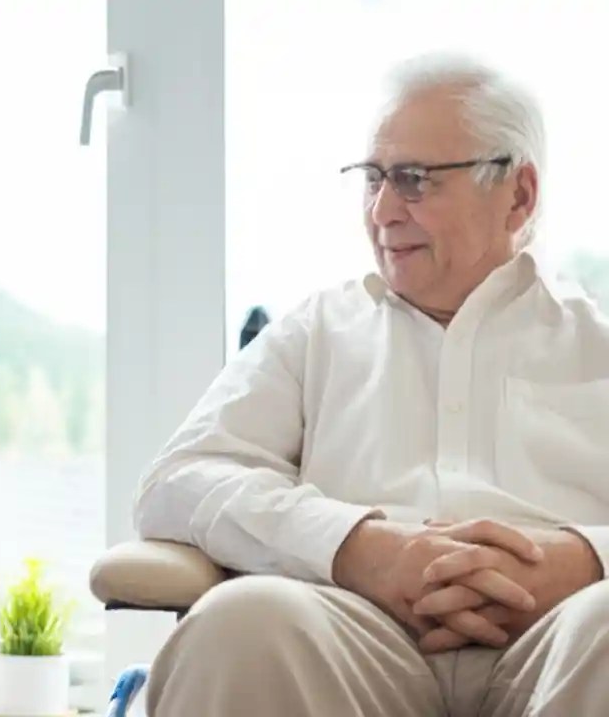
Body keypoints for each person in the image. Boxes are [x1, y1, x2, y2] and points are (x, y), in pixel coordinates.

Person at [135, 53, 609, 717]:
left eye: (415, 181)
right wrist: (355, 547)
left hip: (564, 641)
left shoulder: (599, 341)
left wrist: (586, 561)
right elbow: (176, 482)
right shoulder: (317, 331)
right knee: (243, 620)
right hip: (353, 637)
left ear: (519, 195)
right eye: (373, 179)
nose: (384, 210)